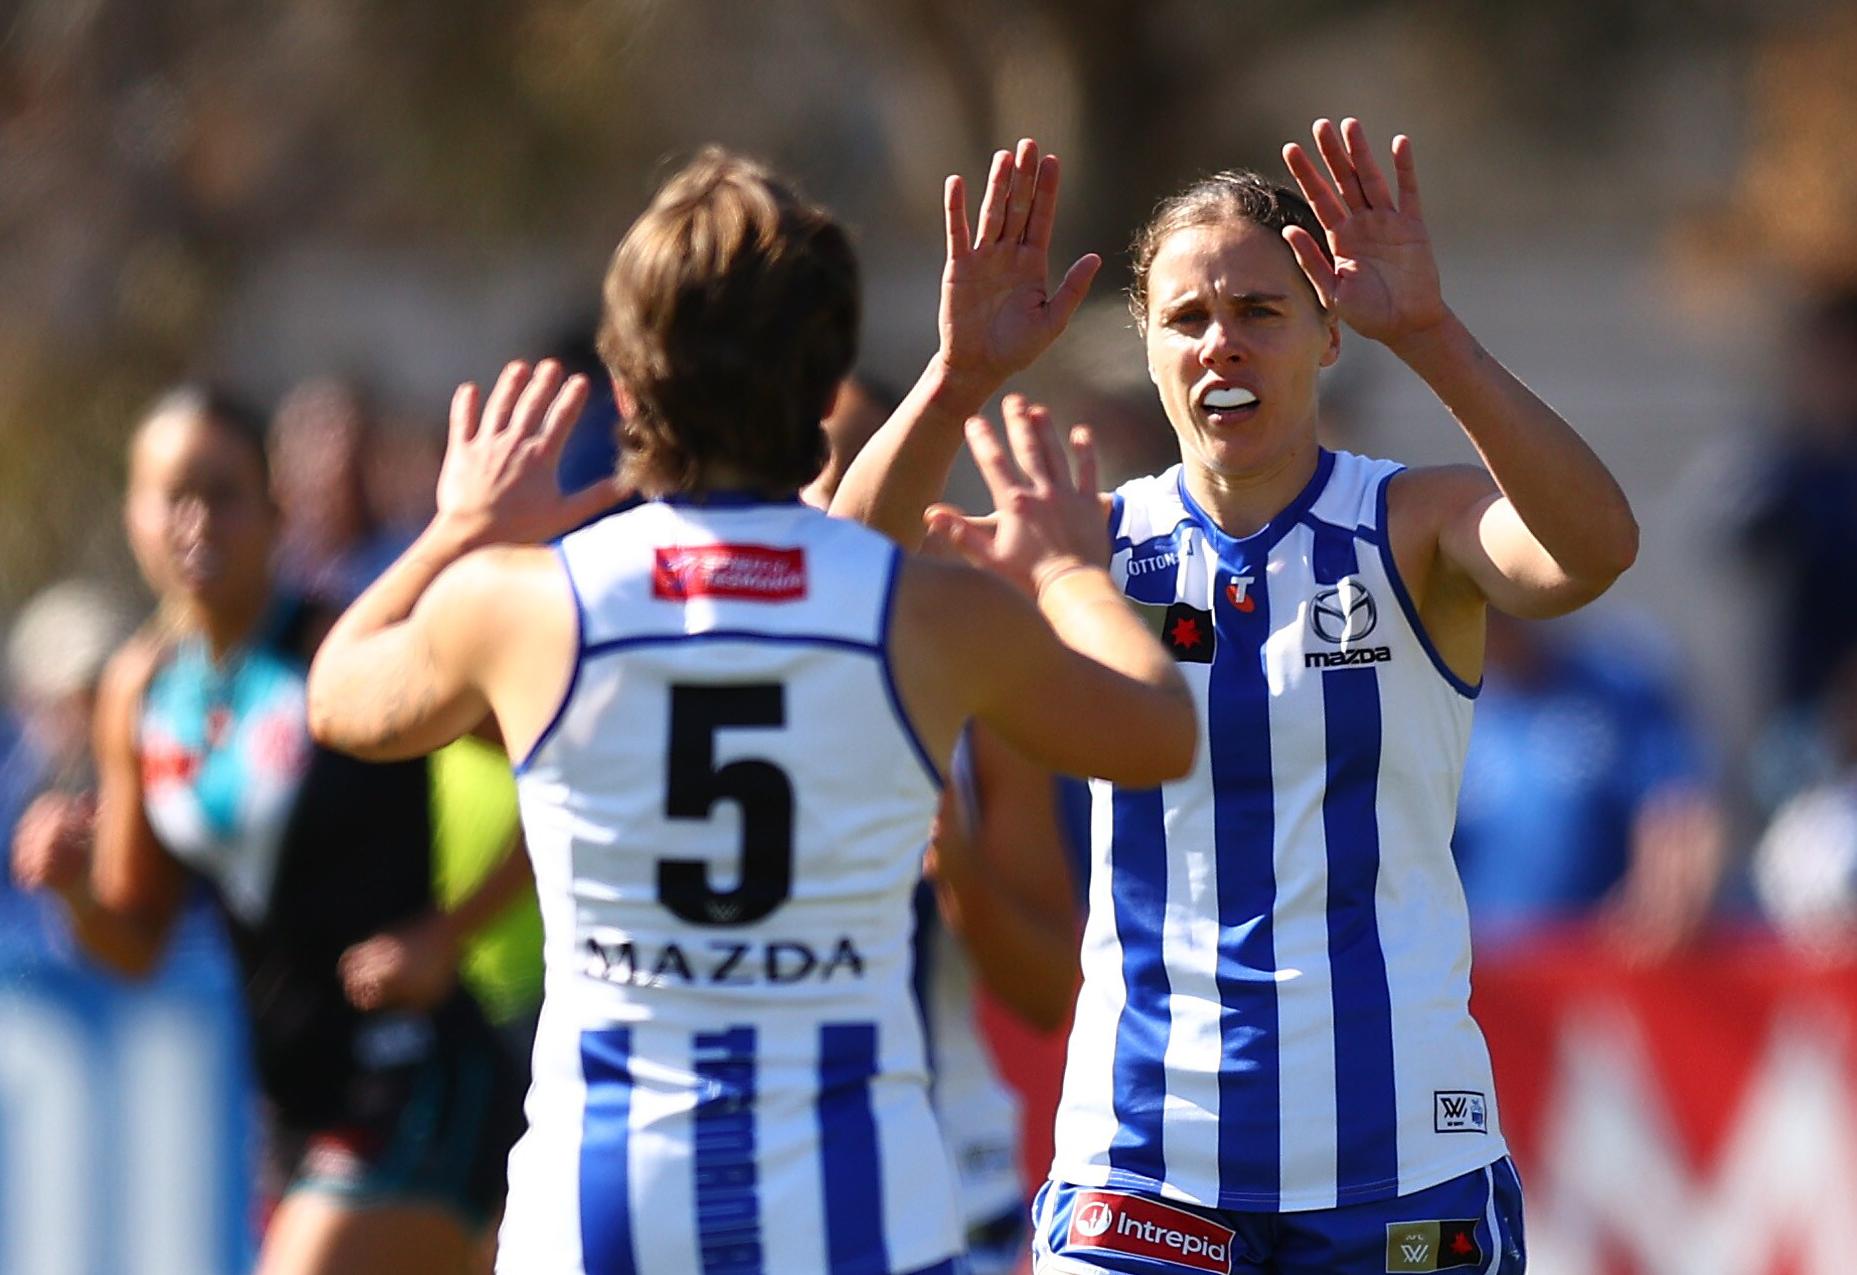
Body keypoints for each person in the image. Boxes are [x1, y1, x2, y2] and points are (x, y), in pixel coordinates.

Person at [302, 146, 1197, 1275]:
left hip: (598, 1219)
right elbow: (1160, 732)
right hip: (857, 1209)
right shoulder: (925, 612)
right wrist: (1069, 572)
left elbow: (339, 696)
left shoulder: (524, 606)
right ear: (826, 393)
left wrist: (460, 528)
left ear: (626, 387)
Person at [834, 122, 1639, 1274]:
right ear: (1148, 350)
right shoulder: (1092, 546)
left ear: (1324, 335)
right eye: (1189, 319)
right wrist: (958, 375)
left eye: (1261, 312)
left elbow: (1596, 547)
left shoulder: (1412, 526)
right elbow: (841, 582)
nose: (1224, 346)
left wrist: (1431, 332)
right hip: (1147, 1159)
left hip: (1402, 1161)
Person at [9, 385, 526, 1275]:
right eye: (173, 494)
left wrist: (450, 931)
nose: (197, 521)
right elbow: (135, 939)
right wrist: (70, 888)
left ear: (275, 509)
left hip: (417, 1069)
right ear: (134, 513)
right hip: (292, 1107)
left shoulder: (340, 646)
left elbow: (550, 748)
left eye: (224, 491)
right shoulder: (140, 692)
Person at [807, 374, 1084, 1273]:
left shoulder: (978, 673)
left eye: (860, 459)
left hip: (936, 1162)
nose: (838, 492)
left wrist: (958, 867)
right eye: (812, 463)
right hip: (739, 1160)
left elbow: (1049, 991)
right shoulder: (684, 647)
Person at [1453, 612, 1724, 957]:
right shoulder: (1433, 709)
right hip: (1480, 975)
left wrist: (1663, 902)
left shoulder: (1619, 685)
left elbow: (1678, 811)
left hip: (1603, 970)